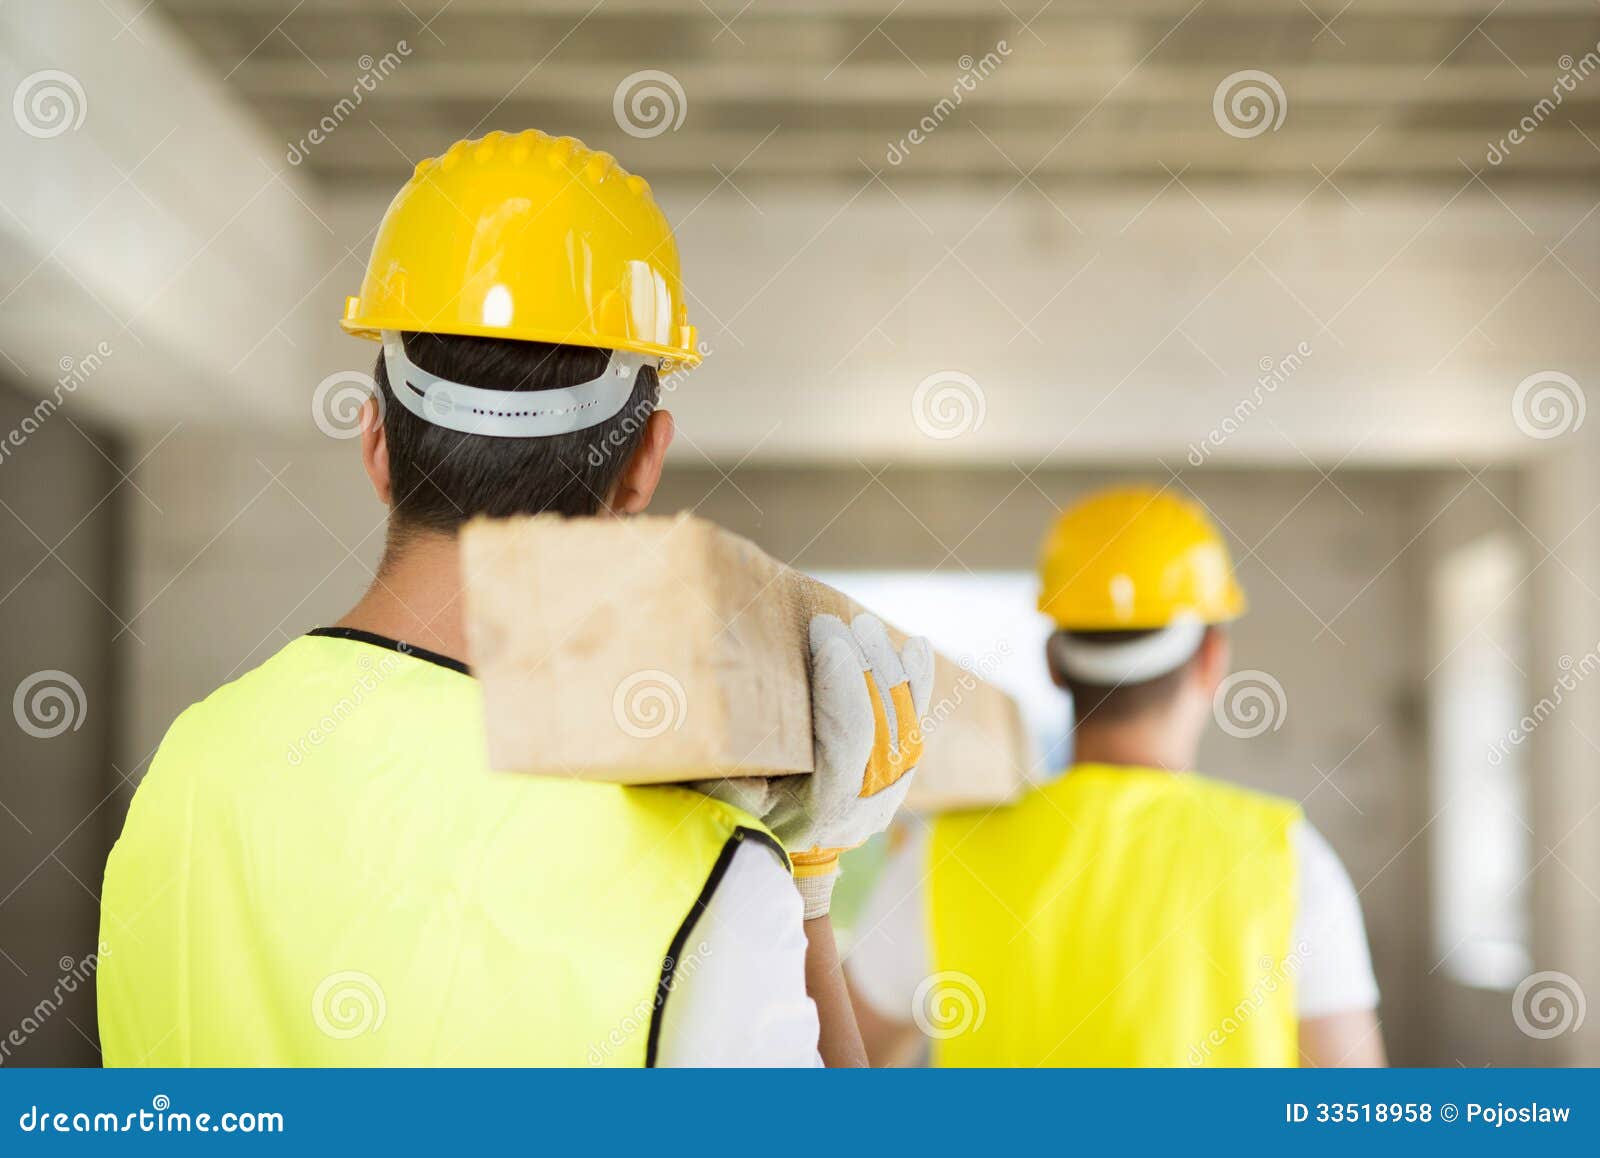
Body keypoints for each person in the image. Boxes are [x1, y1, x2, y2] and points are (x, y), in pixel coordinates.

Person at [96, 130, 932, 1067]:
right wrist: (808, 887)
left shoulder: (191, 769)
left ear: (375, 441)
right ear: (642, 465)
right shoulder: (705, 871)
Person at [846, 486, 1384, 1067]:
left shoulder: (941, 857)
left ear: (1053, 663)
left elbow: (842, 1074)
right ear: (1212, 660)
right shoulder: (1292, 862)